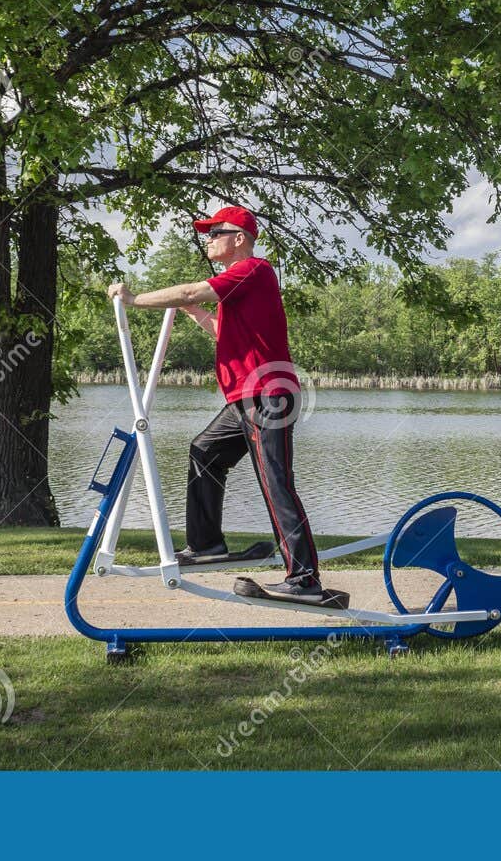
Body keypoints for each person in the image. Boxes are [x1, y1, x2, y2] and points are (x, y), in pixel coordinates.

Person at [107, 206, 336, 606]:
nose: (208, 239)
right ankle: (206, 544)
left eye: (216, 232)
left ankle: (304, 578)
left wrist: (134, 298)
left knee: (275, 482)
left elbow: (193, 290)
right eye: (207, 233)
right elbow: (222, 330)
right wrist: (197, 315)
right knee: (205, 451)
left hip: (268, 396)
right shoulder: (236, 287)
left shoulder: (254, 270)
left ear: (240, 239)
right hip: (245, 399)